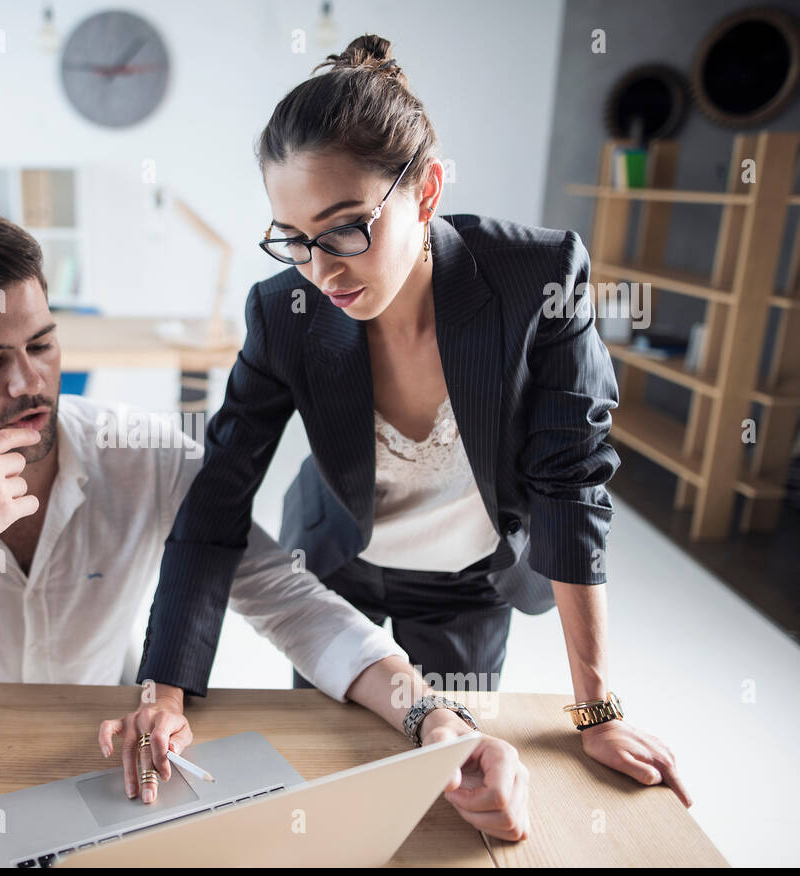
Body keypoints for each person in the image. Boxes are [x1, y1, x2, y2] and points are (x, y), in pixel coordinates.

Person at [0, 209, 530, 839]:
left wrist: (430, 712)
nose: (29, 383)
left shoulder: (143, 455)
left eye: (43, 345)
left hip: (112, 771)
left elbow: (288, 600)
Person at [110, 32, 690, 811]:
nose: (323, 271)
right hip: (337, 561)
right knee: (330, 775)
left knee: (447, 782)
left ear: (426, 191)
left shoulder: (538, 279)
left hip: (471, 578)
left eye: (348, 227)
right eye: (295, 240)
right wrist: (168, 689)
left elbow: (570, 483)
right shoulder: (283, 311)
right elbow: (218, 495)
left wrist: (595, 710)